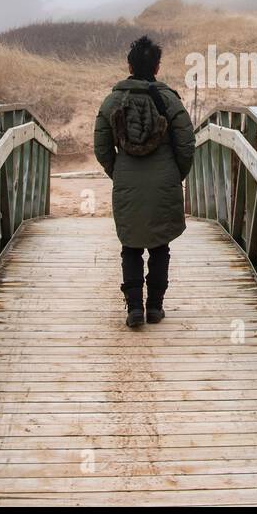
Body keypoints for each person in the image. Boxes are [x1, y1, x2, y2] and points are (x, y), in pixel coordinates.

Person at [93, 35, 196, 327]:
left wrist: (118, 170)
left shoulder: (113, 100)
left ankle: (134, 308)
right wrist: (175, 174)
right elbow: (187, 144)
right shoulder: (168, 99)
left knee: (131, 246)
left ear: (129, 65)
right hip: (164, 180)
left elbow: (101, 147)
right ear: (157, 67)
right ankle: (155, 307)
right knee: (160, 245)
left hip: (127, 180)